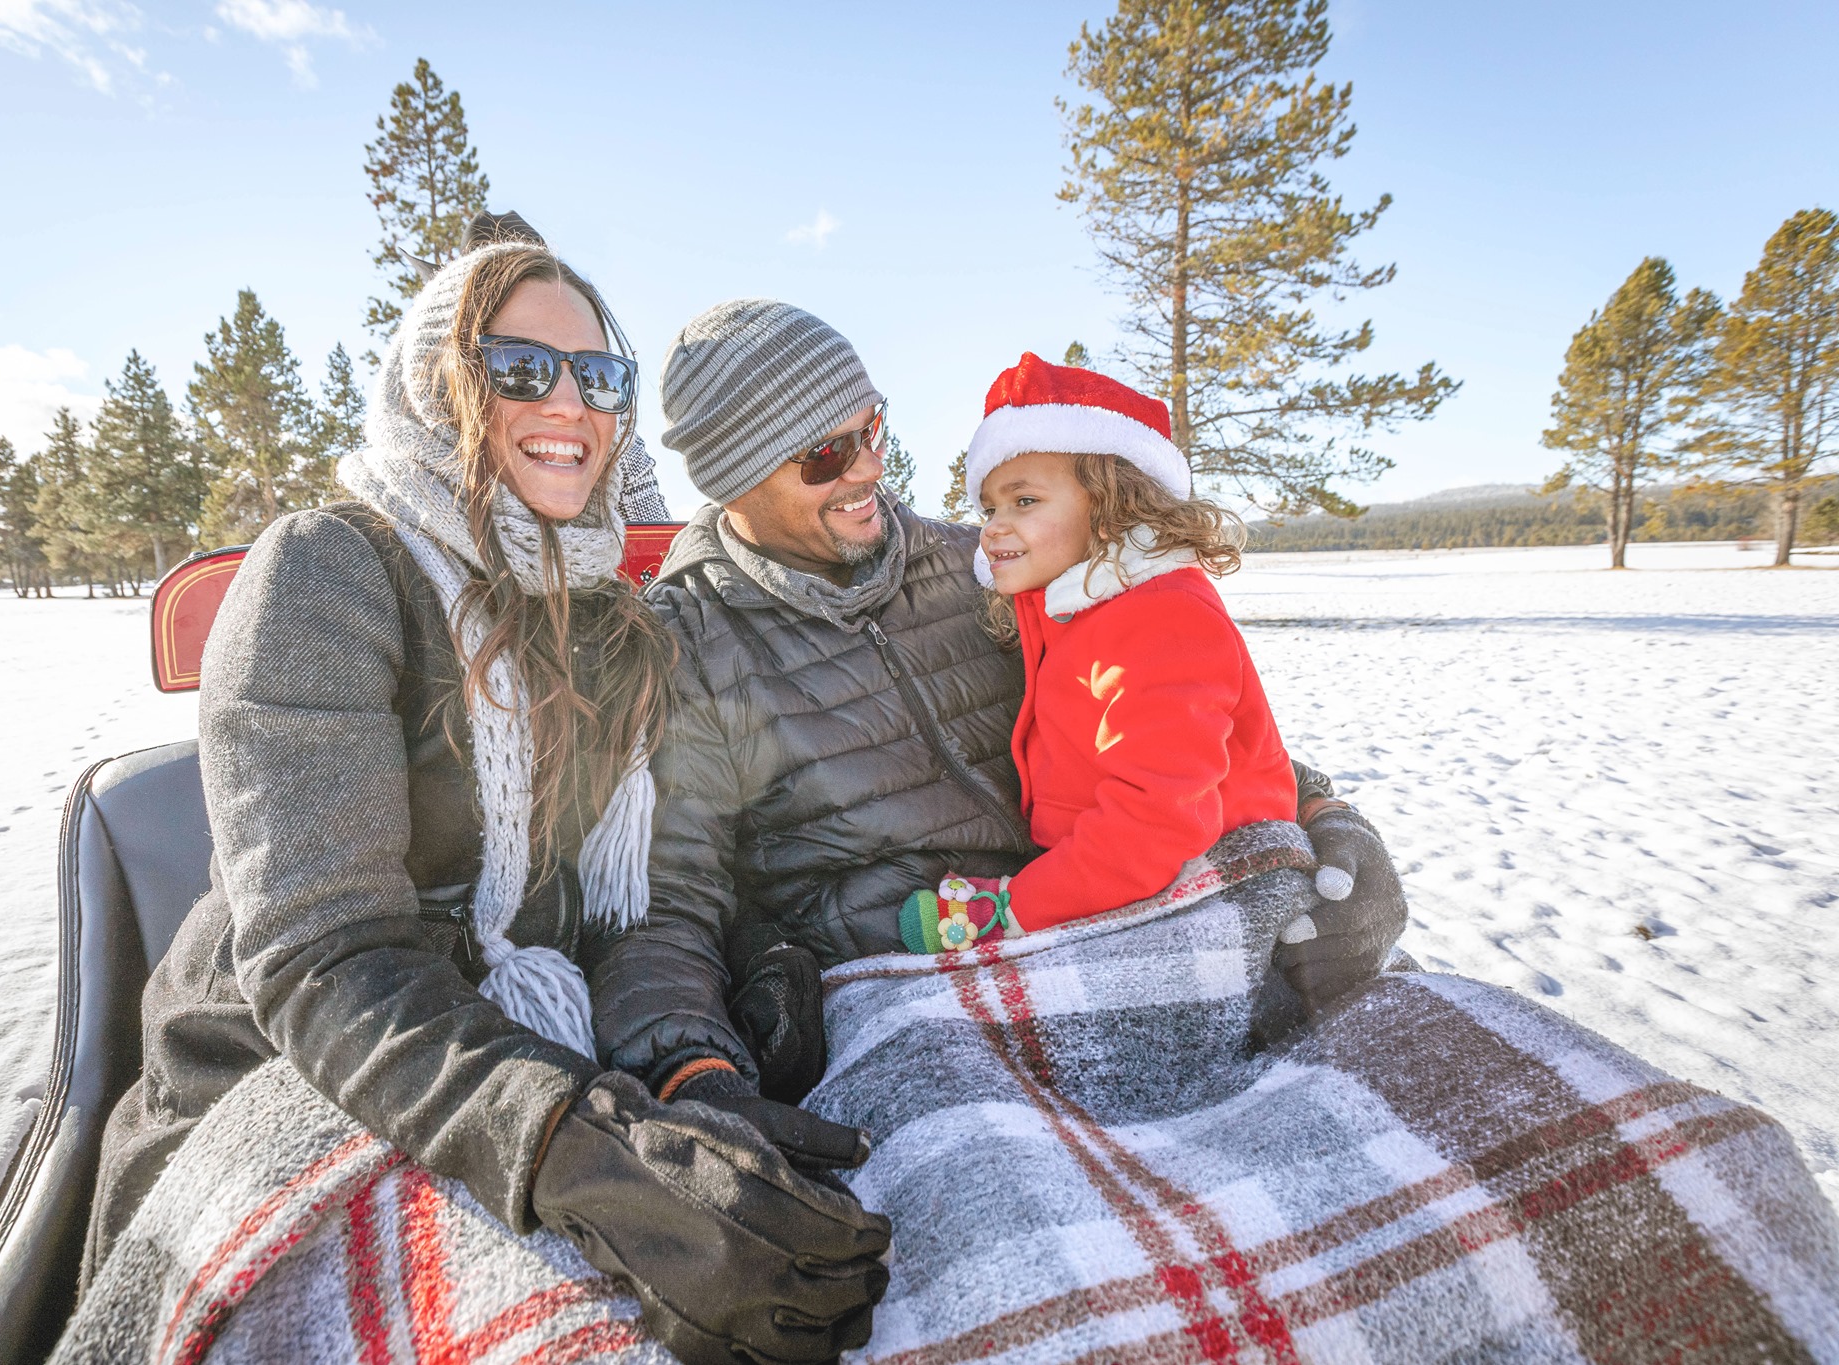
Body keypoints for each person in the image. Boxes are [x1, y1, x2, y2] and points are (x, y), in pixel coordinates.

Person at [79, 224, 890, 1365]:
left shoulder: (608, 617)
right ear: (437, 388)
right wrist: (579, 1149)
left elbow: (632, 903)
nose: (570, 400)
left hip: (525, 1058)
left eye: (598, 376)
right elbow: (325, 955)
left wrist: (694, 1068)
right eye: (519, 368)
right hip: (293, 1071)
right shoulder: (327, 572)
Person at [590, 299, 1408, 1112]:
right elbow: (663, 900)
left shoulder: (981, 565)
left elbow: (1166, 709)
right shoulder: (685, 643)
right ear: (735, 479)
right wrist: (695, 1075)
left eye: (872, 427)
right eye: (827, 453)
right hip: (919, 990)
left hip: (1117, 918)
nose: (871, 467)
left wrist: (1322, 806)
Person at [897, 351, 1302, 951]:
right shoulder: (1067, 609)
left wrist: (1013, 908)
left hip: (1210, 873)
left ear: (1112, 503)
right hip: (1114, 872)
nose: (992, 527)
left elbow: (1157, 821)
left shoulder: (1163, 618)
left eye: (1024, 501)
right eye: (989, 508)